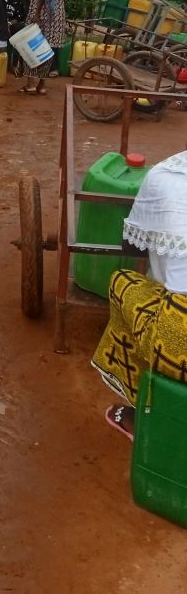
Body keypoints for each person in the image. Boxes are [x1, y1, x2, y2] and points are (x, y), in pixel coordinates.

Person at [92, 150, 187, 440]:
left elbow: (132, 246)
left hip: (178, 341)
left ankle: (143, 411)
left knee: (123, 282)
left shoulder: (165, 177)